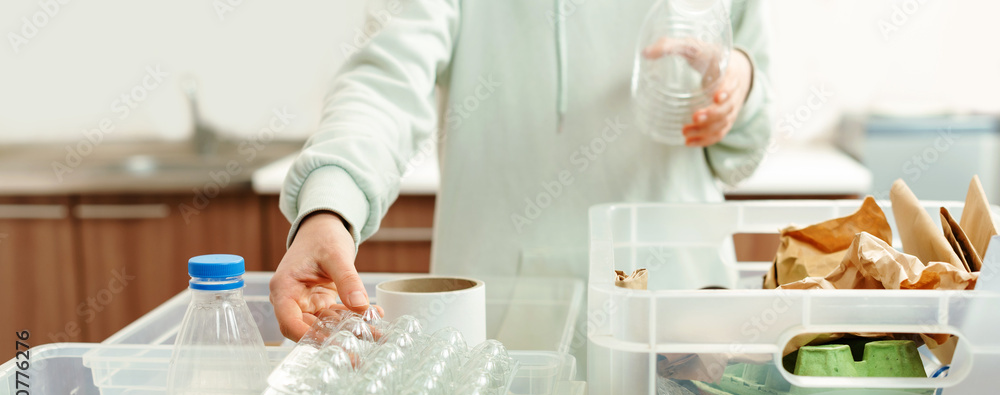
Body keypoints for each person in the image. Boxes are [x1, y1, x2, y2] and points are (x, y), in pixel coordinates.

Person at [271, 0, 772, 341]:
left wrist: (741, 89)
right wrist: (329, 207)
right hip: (503, 322)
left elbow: (740, 154)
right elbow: (385, 82)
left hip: (679, 308)